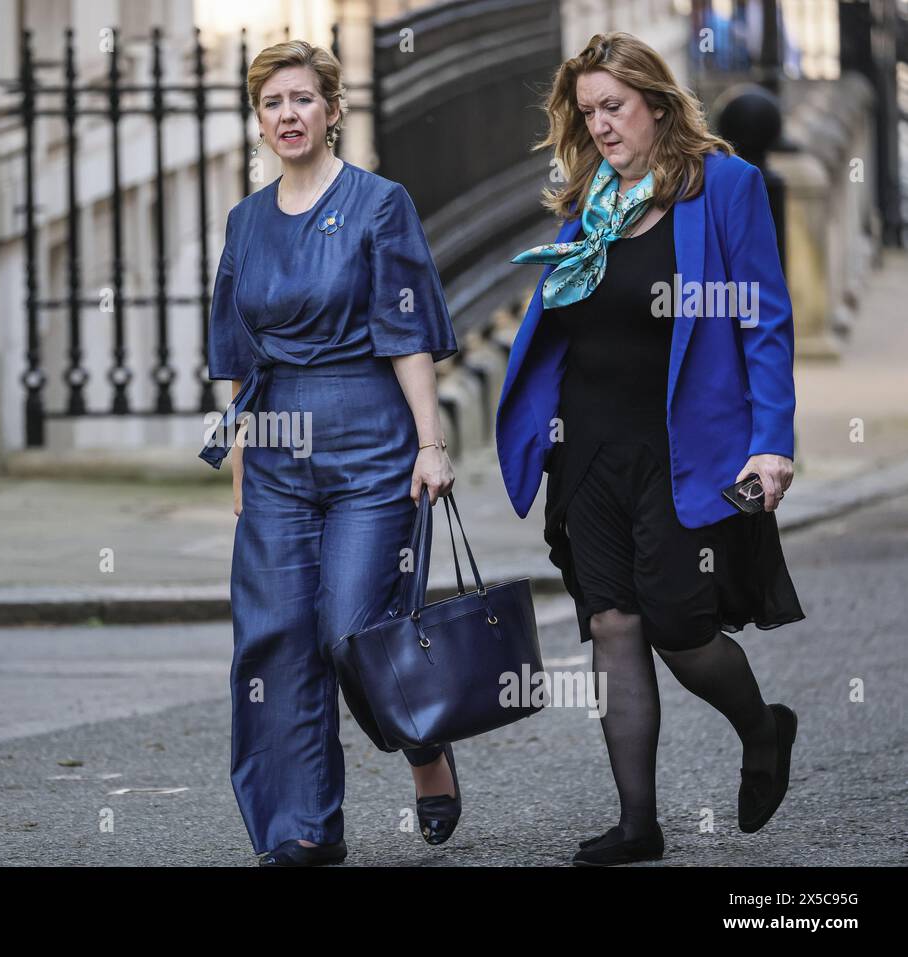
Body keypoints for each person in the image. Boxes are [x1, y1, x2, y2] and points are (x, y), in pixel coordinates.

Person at [496, 31, 806, 866]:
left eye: (614, 107)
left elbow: (764, 321)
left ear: (657, 105)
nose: (600, 125)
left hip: (684, 446)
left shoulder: (725, 187)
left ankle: (762, 726)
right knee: (611, 625)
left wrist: (771, 441)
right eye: (587, 110)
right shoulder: (586, 200)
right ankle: (638, 823)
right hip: (588, 447)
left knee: (679, 624)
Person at [199, 39, 461, 866]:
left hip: (370, 444)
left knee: (350, 631)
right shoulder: (244, 221)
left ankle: (424, 746)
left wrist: (431, 443)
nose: (288, 115)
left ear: (333, 109)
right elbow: (235, 356)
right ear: (259, 118)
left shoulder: (381, 203)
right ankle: (303, 825)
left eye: (302, 99)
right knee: (274, 637)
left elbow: (409, 331)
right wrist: (241, 462)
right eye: (273, 103)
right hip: (275, 447)